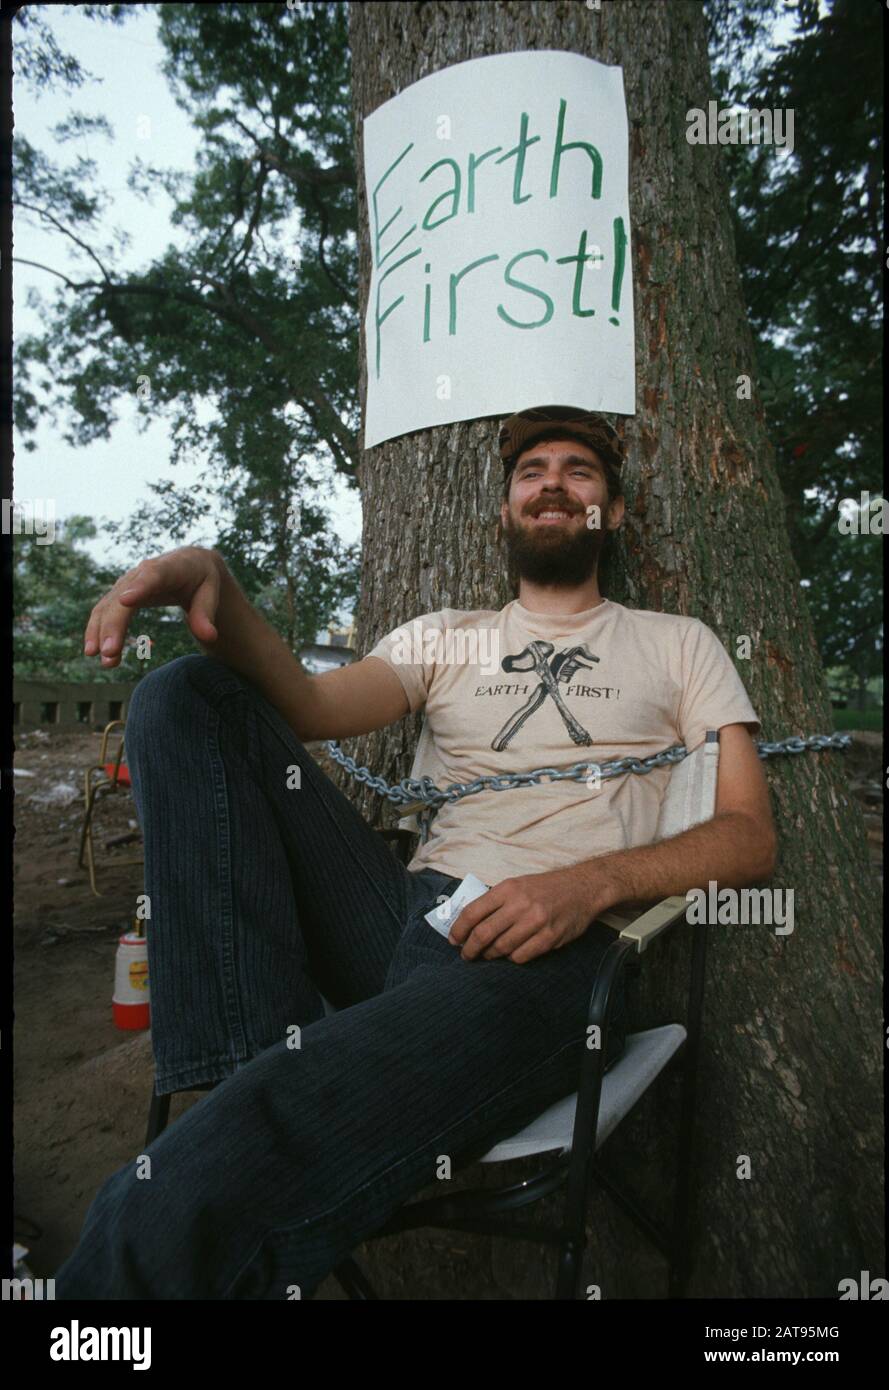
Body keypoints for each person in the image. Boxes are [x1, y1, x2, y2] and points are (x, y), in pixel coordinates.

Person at [53, 405, 776, 1300]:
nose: (551, 481)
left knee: (193, 1183)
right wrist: (217, 584)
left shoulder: (679, 644)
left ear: (612, 514)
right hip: (403, 916)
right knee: (187, 696)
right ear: (506, 512)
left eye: (579, 472)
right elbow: (307, 711)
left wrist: (589, 884)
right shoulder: (444, 634)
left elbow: (748, 835)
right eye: (530, 471)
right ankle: (248, 1067)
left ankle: (227, 1154)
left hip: (543, 953)